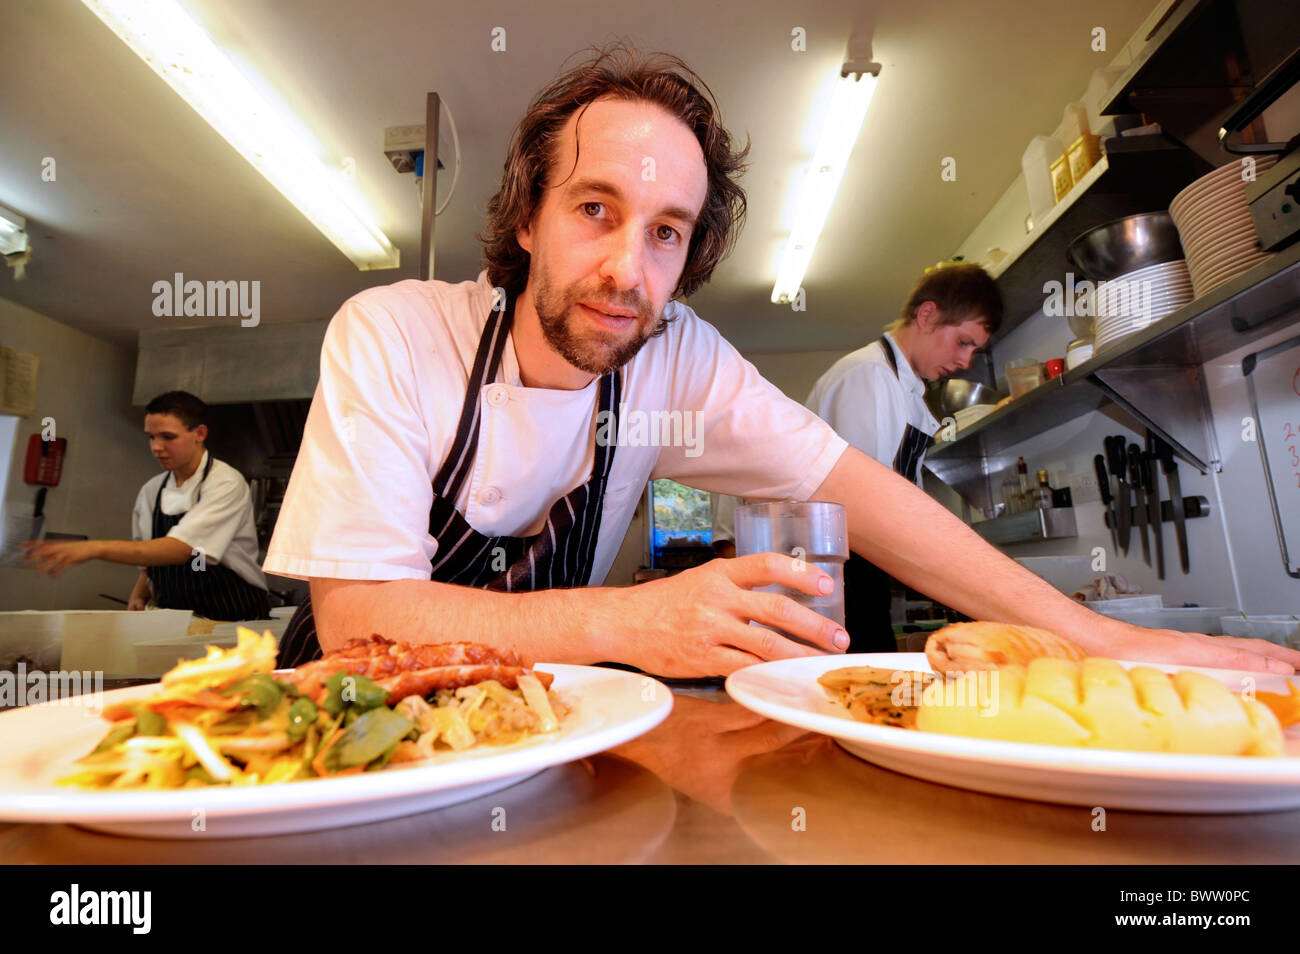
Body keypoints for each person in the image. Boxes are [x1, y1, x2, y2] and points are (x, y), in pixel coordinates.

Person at [266, 45, 1298, 677]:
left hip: (529, 740)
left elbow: (872, 502)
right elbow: (360, 623)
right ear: (527, 216)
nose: (628, 269)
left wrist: (1100, 638)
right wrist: (633, 620)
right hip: (332, 745)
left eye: (667, 232)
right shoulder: (394, 334)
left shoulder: (673, 361)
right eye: (595, 211)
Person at [806, 263, 998, 652]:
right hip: (840, 574)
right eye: (963, 342)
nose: (966, 362)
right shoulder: (869, 377)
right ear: (927, 315)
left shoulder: (902, 385)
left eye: (975, 350)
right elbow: (865, 508)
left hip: (861, 568)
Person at [23, 390, 271, 620]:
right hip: (174, 615)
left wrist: (94, 548)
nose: (156, 447)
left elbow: (181, 549)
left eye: (168, 437)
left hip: (233, 614)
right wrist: (140, 591)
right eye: (151, 437)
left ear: (200, 433)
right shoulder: (152, 489)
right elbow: (149, 553)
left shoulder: (225, 483)